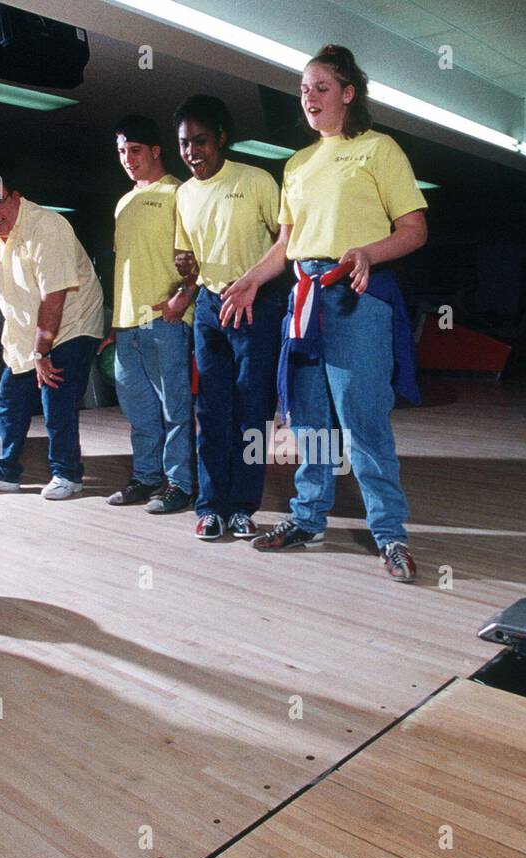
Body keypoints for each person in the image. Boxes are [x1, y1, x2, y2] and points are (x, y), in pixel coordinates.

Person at [221, 44, 428, 582]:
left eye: (321, 87)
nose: (309, 98)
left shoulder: (379, 149)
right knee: (309, 421)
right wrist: (250, 279)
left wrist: (366, 252)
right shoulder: (296, 164)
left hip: (358, 295)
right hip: (305, 299)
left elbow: (414, 230)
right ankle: (308, 520)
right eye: (303, 89)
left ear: (349, 93)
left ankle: (390, 534)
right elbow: (287, 246)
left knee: (362, 420)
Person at [0, 167, 106, 500]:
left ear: (16, 197)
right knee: (9, 399)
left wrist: (42, 354)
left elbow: (54, 299)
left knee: (54, 396)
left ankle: (67, 474)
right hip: (25, 329)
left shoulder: (48, 227)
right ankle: (3, 472)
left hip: (72, 323)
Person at [171, 94, 284, 540]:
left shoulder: (257, 180)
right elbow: (190, 256)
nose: (192, 152)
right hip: (210, 309)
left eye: (200, 141)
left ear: (221, 138)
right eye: (184, 144)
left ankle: (242, 506)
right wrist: (188, 270)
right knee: (211, 411)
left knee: (251, 412)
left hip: (256, 305)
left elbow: (285, 245)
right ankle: (211, 507)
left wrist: (258, 284)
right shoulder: (183, 193)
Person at [106, 115, 195, 514]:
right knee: (139, 409)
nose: (128, 158)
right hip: (128, 322)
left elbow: (196, 258)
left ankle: (180, 484)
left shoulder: (180, 193)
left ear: (156, 151)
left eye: (135, 150)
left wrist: (183, 297)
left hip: (165, 318)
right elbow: (127, 264)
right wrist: (114, 322)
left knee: (174, 407)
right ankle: (145, 478)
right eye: (122, 151)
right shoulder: (124, 201)